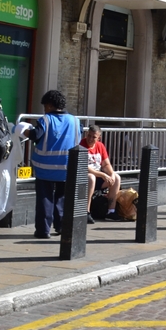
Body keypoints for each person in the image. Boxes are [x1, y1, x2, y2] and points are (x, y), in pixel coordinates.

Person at [28, 90, 80, 239]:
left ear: (50, 105)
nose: (44, 109)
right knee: (61, 199)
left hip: (45, 167)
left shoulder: (46, 120)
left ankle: (43, 230)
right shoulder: (75, 121)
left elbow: (35, 135)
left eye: (45, 106)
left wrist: (23, 131)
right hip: (67, 167)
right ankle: (61, 226)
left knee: (45, 199)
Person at [82, 126, 120, 222]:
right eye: (89, 136)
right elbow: (84, 167)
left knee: (116, 178)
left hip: (98, 176)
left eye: (93, 137)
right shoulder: (81, 145)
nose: (90, 139)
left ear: (99, 138)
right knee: (91, 178)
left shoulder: (100, 146)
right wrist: (102, 175)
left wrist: (111, 174)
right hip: (85, 176)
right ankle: (86, 212)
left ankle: (111, 211)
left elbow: (106, 164)